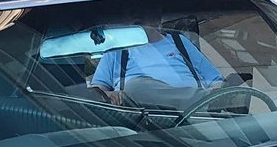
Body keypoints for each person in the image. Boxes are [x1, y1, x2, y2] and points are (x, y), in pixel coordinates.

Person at [90, 31, 222, 103]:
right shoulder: (116, 50)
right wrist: (111, 95)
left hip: (199, 119)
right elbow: (96, 93)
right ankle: (202, 100)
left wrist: (217, 92)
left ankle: (203, 101)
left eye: (146, 12)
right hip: (143, 123)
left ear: (157, 16)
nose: (138, 18)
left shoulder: (179, 41)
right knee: (135, 87)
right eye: (134, 13)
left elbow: (216, 81)